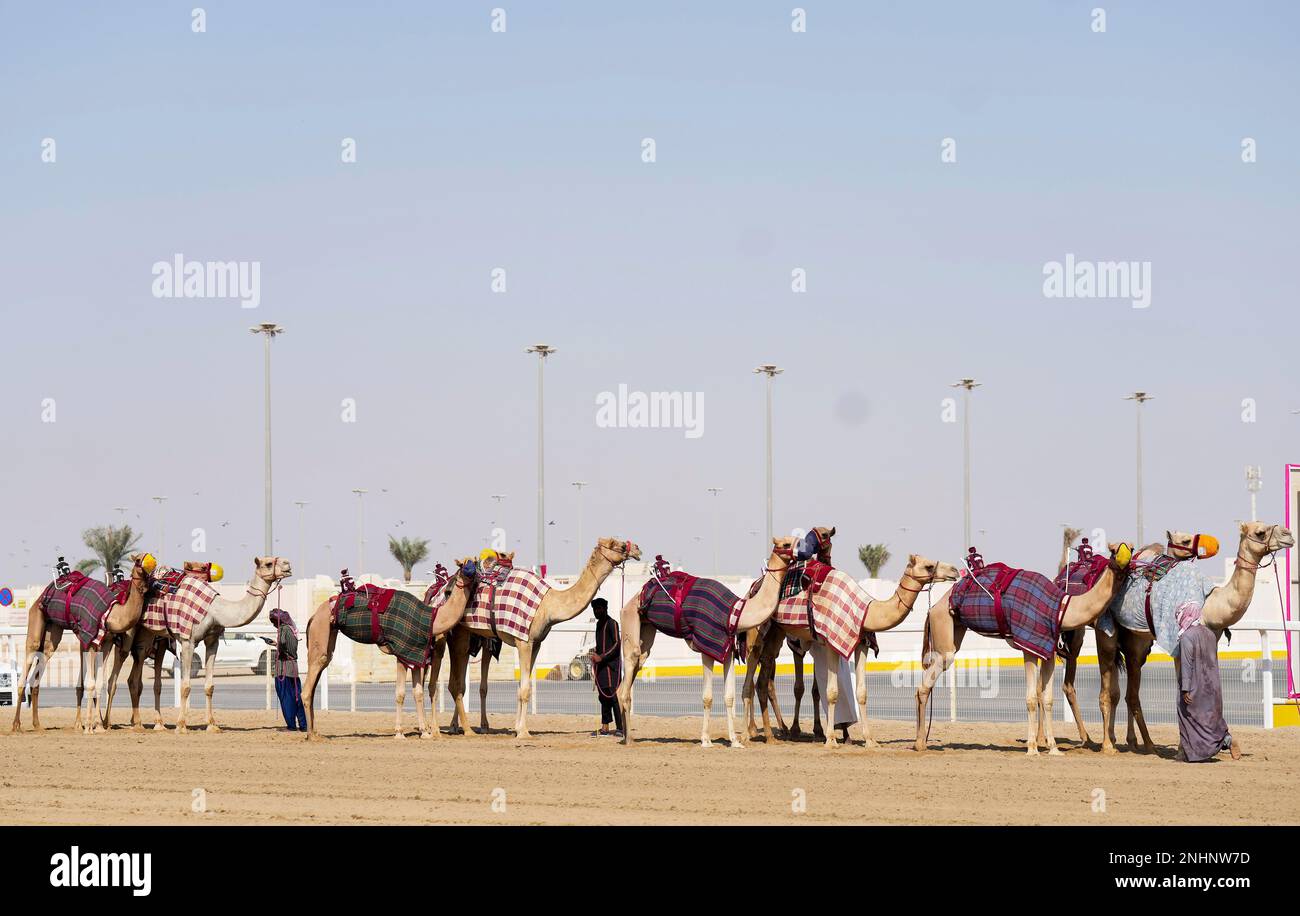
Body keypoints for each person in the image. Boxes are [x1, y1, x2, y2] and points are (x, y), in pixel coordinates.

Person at [1175, 601, 1240, 762]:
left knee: (1188, 715)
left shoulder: (1186, 637)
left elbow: (1187, 665)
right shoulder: (1210, 634)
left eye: (1180, 615)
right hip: (1213, 687)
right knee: (1211, 720)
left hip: (1194, 688)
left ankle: (1193, 753)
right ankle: (1227, 740)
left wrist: (1185, 689)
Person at [588, 598, 623, 736]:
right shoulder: (598, 625)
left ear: (605, 608)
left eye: (599, 609)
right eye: (595, 609)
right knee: (603, 697)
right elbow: (601, 645)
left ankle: (621, 728)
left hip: (611, 666)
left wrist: (602, 657)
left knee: (614, 697)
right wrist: (595, 653)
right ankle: (605, 727)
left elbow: (616, 644)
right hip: (601, 667)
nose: (597, 611)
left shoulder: (612, 623)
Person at [268, 608, 307, 731]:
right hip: (293, 668)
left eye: (275, 621)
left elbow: (283, 643)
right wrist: (276, 644)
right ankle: (303, 725)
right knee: (297, 697)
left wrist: (278, 644)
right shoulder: (292, 630)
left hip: (283, 670)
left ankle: (291, 725)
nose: (274, 624)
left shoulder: (283, 629)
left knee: (286, 698)